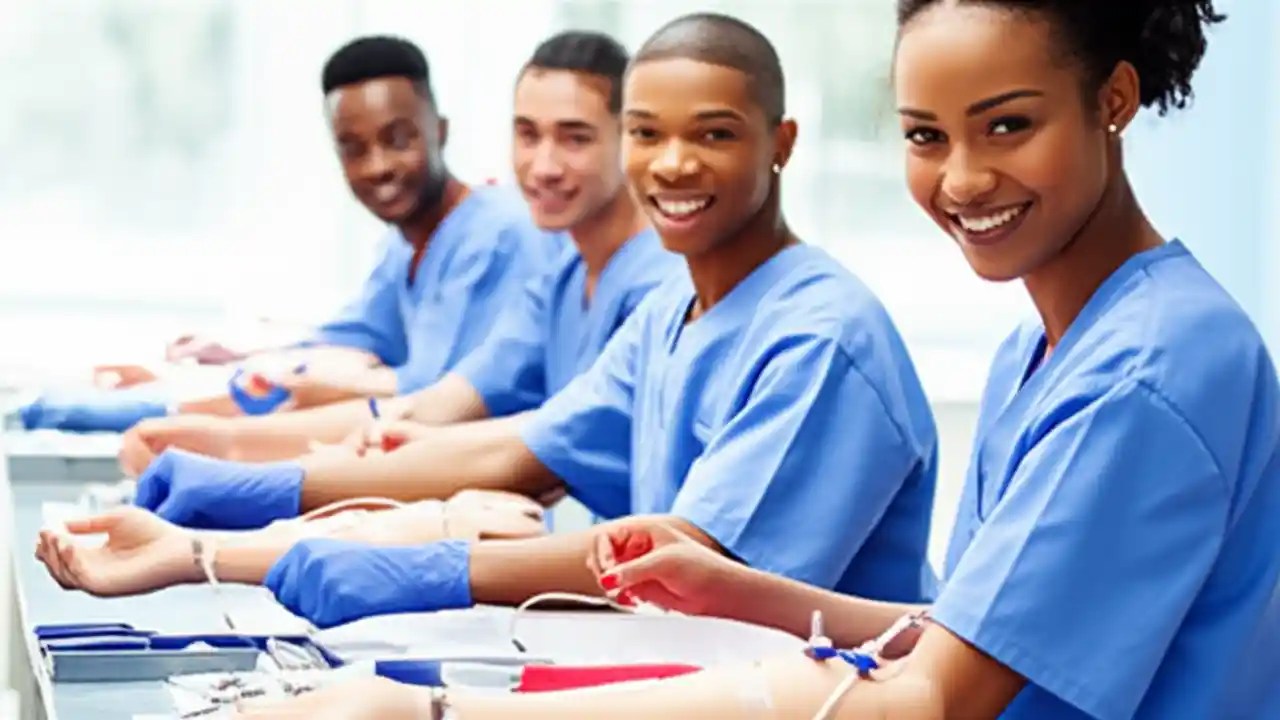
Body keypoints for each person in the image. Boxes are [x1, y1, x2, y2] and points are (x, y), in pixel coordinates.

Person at [209, 1, 1280, 718]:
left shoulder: (1145, 370)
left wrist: (445, 709)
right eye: (922, 135)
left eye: (1004, 126)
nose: (959, 179)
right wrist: (744, 589)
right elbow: (970, 632)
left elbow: (933, 695)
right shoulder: (1041, 345)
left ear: (1112, 100)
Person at [37, 14, 939, 631]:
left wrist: (407, 568)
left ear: (779, 144)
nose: (672, 163)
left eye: (712, 134)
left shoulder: (818, 339)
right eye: (647, 133)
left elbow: (681, 572)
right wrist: (236, 501)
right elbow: (508, 447)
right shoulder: (675, 307)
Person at [113, 31, 682, 476]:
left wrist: (253, 461)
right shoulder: (560, 279)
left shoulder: (654, 284)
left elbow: (542, 441)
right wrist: (219, 440)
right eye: (527, 134)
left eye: (576, 137)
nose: (543, 165)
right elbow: (434, 402)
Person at [21, 35, 559, 433]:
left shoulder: (497, 235)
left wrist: (198, 403)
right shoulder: (406, 244)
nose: (378, 167)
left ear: (440, 131)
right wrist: (223, 363)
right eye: (353, 148)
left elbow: (430, 392)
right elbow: (353, 337)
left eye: (399, 139)